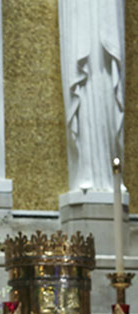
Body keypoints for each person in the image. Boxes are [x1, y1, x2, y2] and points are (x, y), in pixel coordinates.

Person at [59, 0, 124, 193]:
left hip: (107, 12)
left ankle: (108, 171)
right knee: (86, 85)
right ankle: (87, 168)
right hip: (79, 13)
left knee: (106, 82)